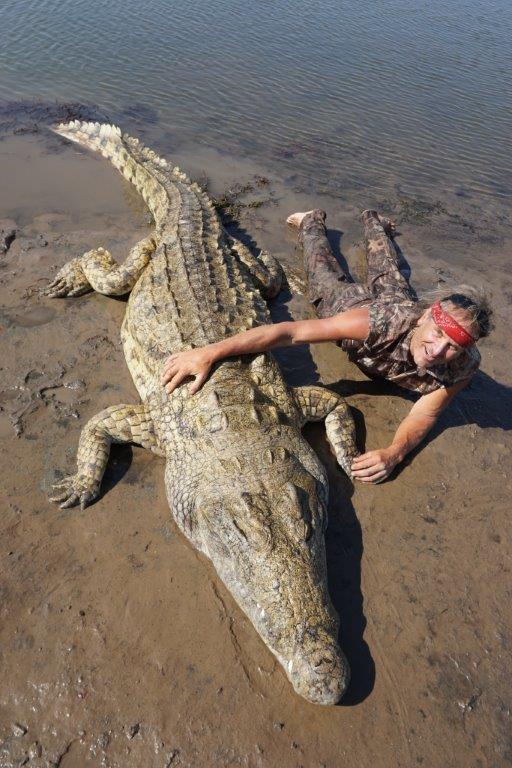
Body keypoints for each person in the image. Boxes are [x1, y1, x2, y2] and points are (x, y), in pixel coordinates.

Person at [161, 208, 492, 483]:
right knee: (322, 266)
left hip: (398, 304)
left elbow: (426, 411)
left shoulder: (462, 366)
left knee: (390, 273)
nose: (438, 351)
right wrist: (210, 352)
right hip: (349, 305)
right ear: (425, 319)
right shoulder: (377, 323)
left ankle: (373, 220)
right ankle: (311, 219)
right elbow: (289, 333)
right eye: (437, 334)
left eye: (453, 346)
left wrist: (394, 453)